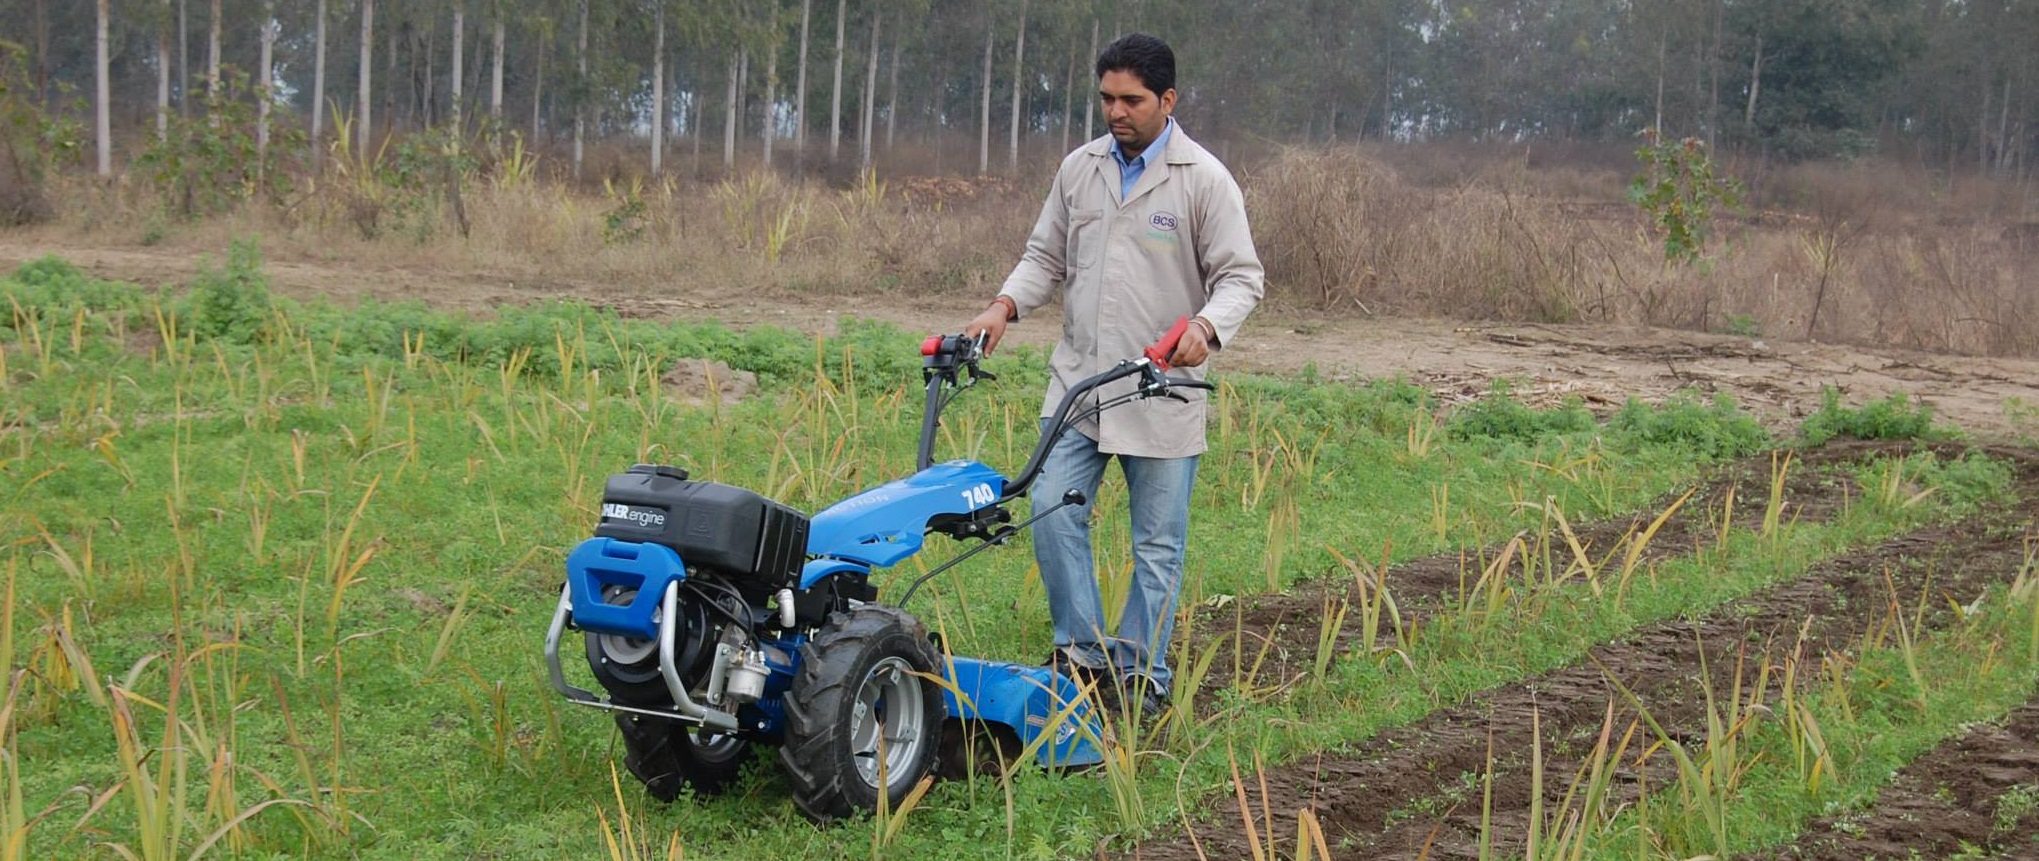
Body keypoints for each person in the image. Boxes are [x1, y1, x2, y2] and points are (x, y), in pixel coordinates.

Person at [962, 32, 1263, 718]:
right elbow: (1044, 255)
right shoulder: (1080, 168)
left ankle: (1142, 677)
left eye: (1130, 100)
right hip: (1079, 386)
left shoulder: (1203, 180)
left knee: (1155, 544)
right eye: (1106, 98)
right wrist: (1004, 304)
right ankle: (1082, 654)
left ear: (1168, 100)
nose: (1115, 112)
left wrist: (1205, 328)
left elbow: (1240, 277)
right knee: (1050, 511)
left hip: (1161, 386)